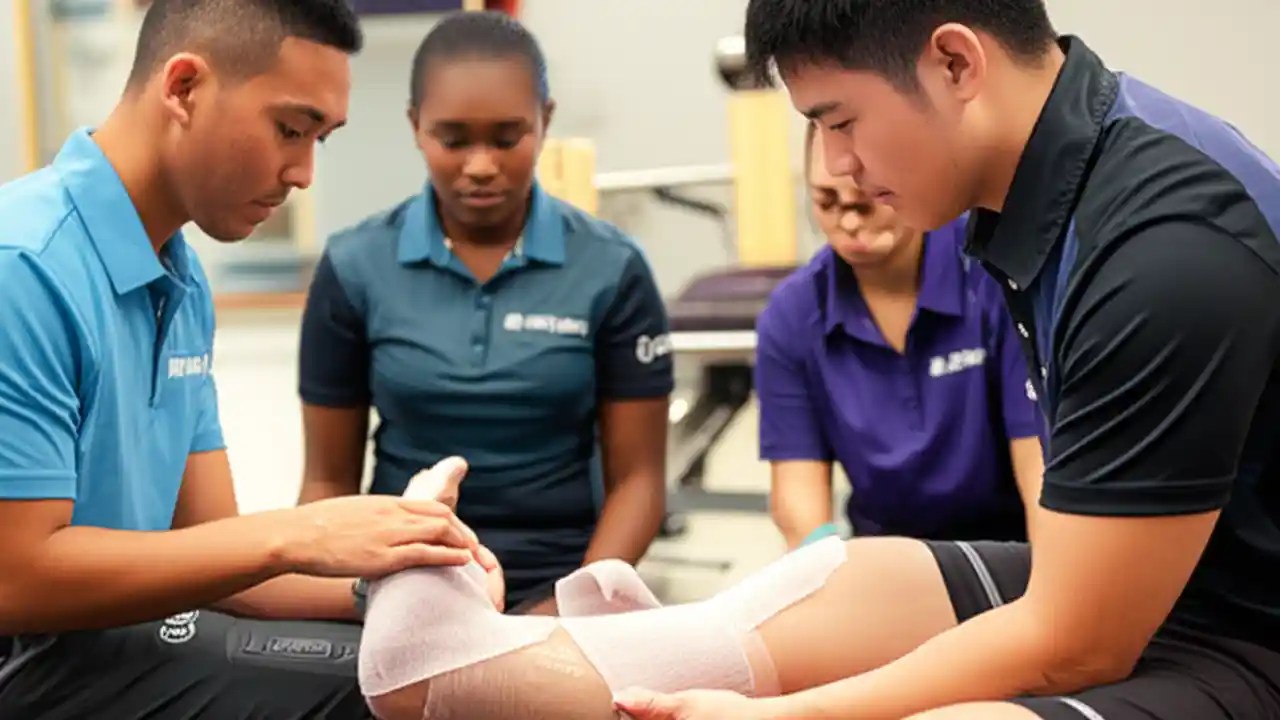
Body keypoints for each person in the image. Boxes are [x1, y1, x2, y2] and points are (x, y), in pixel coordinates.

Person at [351, 1, 1280, 719]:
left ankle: (451, 662)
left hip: (1246, 632)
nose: (835, 165)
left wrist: (789, 712)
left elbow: (1081, 647)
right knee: (836, 575)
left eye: (841, 120)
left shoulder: (1164, 246)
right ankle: (460, 663)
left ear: (956, 62)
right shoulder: (1040, 189)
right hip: (1147, 577)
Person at [0, 2, 500, 717]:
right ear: (182, 89)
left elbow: (216, 558)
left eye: (318, 140)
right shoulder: (23, 267)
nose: (301, 172)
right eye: (290, 130)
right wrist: (301, 532)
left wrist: (401, 581)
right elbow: (13, 580)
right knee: (424, 700)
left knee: (438, 662)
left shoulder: (177, 277)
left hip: (110, 644)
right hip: (27, 663)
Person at [296, 11, 673, 614]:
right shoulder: (354, 266)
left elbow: (640, 482)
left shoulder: (610, 268)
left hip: (561, 583)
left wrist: (567, 611)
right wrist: (364, 601)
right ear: (416, 126)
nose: (480, 165)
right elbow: (325, 482)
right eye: (453, 139)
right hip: (400, 579)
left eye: (507, 137)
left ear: (545, 121)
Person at [759, 122, 1043, 548]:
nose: (850, 222)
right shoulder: (792, 315)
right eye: (827, 202)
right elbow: (797, 495)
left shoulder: (994, 277)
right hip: (885, 558)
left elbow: (1040, 470)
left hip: (1013, 547)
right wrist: (826, 580)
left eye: (867, 201)